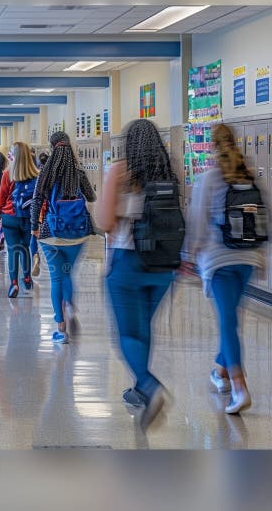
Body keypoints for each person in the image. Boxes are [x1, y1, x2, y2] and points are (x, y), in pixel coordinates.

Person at [96, 118, 180, 429]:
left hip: (128, 263)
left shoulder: (120, 171)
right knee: (143, 330)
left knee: (127, 335)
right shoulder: (170, 171)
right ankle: (139, 391)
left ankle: (149, 385)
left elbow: (104, 222)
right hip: (162, 266)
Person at [186, 124, 267, 415]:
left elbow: (197, 221)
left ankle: (240, 386)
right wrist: (262, 256)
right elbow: (261, 219)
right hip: (247, 260)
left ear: (212, 146)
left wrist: (189, 254)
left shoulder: (208, 179)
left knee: (227, 322)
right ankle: (220, 370)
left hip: (220, 261)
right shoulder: (247, 175)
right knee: (231, 319)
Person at [30, 132, 96, 344]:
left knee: (57, 278)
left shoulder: (46, 173)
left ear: (51, 149)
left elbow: (36, 201)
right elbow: (92, 197)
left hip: (52, 234)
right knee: (68, 273)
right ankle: (69, 304)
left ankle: (61, 328)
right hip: (77, 233)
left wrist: (34, 227)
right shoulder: (78, 173)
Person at [0, 142, 39, 298]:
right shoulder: (36, 174)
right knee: (25, 248)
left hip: (10, 216)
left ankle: (14, 283)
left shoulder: (8, 173)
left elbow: (2, 196)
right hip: (28, 217)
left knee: (13, 249)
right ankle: (26, 277)